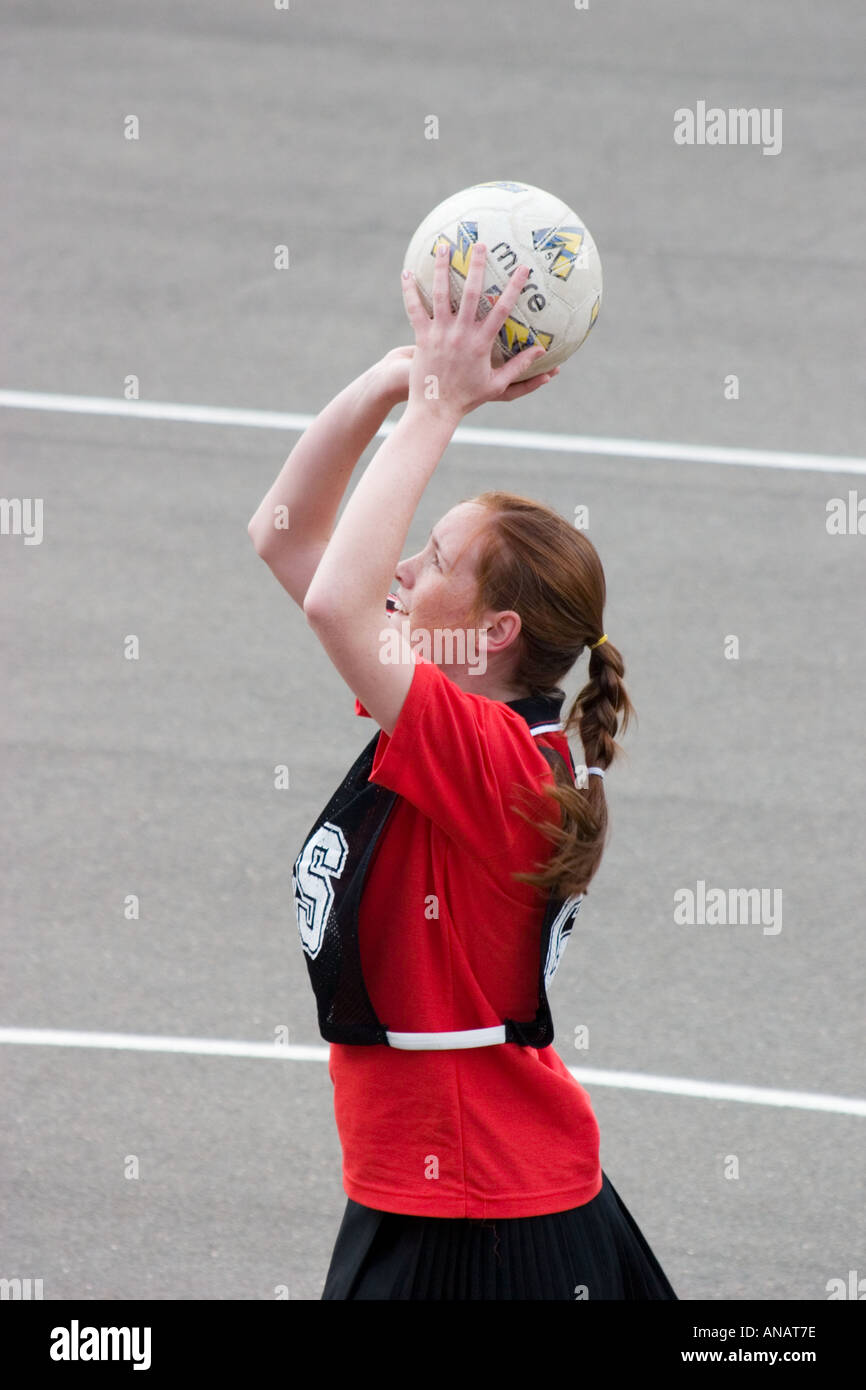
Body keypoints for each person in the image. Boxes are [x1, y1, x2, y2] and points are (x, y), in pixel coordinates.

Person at [248, 240, 677, 1300]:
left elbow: (332, 599)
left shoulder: (487, 757)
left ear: (489, 631)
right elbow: (287, 537)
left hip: (477, 1213)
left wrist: (437, 415)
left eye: (431, 559)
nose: (399, 565)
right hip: (449, 1186)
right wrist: (398, 378)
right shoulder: (465, 721)